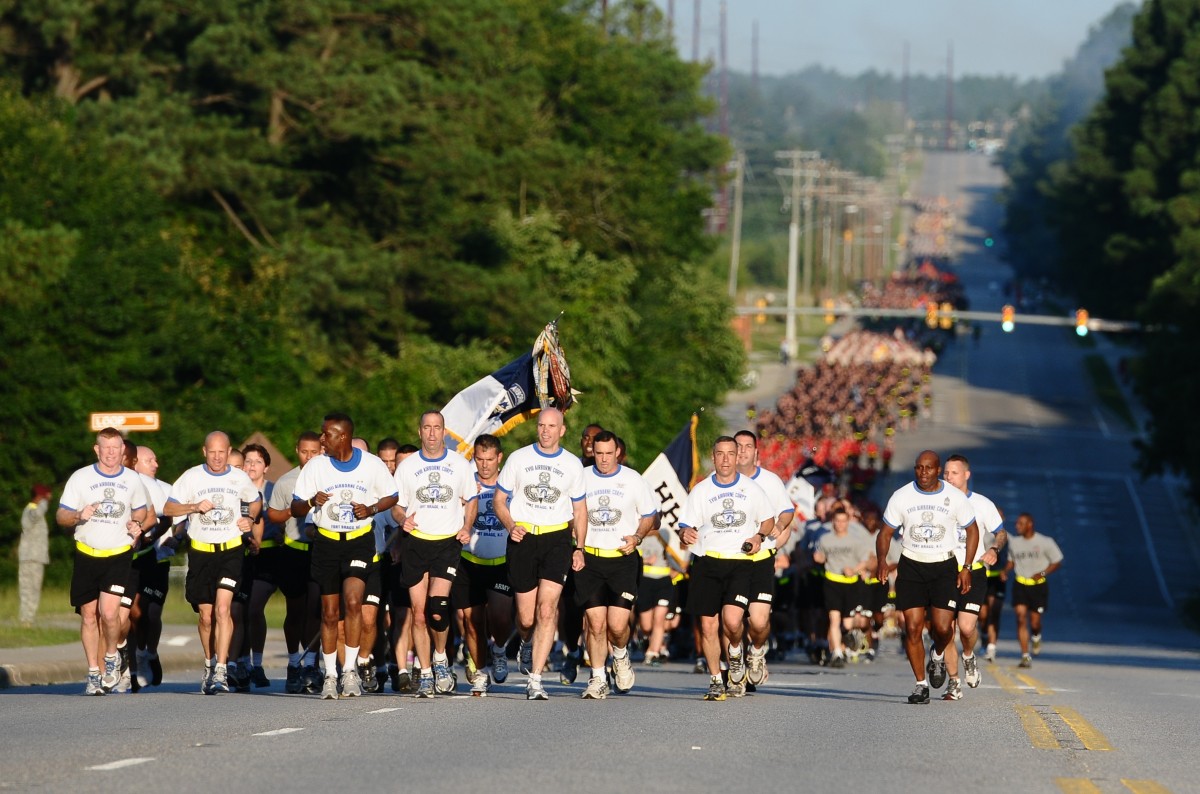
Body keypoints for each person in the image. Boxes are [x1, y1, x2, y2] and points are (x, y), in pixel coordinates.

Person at [291, 413, 398, 699]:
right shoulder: (316, 466)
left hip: (359, 541)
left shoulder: (372, 465)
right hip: (326, 543)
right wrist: (312, 501)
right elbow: (296, 507)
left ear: (344, 437)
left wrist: (372, 509)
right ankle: (330, 674)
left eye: (327, 434)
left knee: (353, 602)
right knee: (329, 613)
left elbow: (392, 495)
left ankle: (349, 672)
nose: (321, 439)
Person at [493, 407, 587, 700]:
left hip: (557, 539)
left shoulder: (572, 465)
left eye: (552, 426)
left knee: (547, 609)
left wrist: (579, 547)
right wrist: (511, 525)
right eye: (541, 425)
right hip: (524, 538)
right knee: (525, 617)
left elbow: (580, 509)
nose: (545, 430)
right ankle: (525, 641)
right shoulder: (518, 459)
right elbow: (499, 500)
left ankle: (535, 680)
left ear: (562, 430)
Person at [677, 436, 776, 701]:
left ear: (736, 457)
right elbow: (684, 524)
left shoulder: (750, 489)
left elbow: (768, 519)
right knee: (708, 626)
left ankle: (735, 654)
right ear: (714, 456)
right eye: (720, 454)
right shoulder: (701, 490)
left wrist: (758, 537)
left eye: (730, 454)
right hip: (708, 561)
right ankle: (715, 679)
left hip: (739, 563)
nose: (725, 459)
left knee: (732, 621)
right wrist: (684, 533)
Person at [876, 450, 977, 704]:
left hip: (944, 567)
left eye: (928, 468)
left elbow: (972, 531)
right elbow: (885, 533)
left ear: (937, 469)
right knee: (912, 628)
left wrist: (966, 567)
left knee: (944, 629)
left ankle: (938, 653)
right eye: (919, 468)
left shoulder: (954, 497)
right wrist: (881, 561)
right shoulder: (902, 496)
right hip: (911, 565)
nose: (923, 473)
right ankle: (921, 685)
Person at [164, 431, 261, 694]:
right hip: (201, 551)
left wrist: (250, 519)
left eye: (222, 452)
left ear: (228, 451)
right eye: (212, 452)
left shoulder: (238, 477)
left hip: (230, 550)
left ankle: (221, 669)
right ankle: (208, 663)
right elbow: (169, 508)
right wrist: (193, 507)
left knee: (222, 609)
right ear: (204, 451)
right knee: (206, 617)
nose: (217, 457)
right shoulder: (191, 477)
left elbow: (255, 500)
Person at [55, 427, 149, 695]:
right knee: (88, 615)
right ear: (96, 450)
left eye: (115, 448)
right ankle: (93, 673)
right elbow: (61, 515)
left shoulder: (132, 480)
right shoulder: (80, 478)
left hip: (118, 553)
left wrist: (136, 522)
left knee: (109, 614)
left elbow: (140, 508)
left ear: (123, 451)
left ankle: (111, 658)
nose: (110, 453)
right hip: (87, 552)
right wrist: (77, 515)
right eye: (105, 448)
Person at [392, 410, 477, 698]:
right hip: (416, 542)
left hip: (447, 542)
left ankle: (441, 658)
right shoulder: (407, 467)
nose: (431, 433)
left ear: (444, 432)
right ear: (420, 432)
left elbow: (472, 500)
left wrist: (467, 526)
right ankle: (425, 673)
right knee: (418, 615)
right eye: (426, 427)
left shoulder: (460, 464)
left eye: (436, 428)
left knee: (438, 609)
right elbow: (396, 505)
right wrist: (402, 519)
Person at [573, 431, 658, 699]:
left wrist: (638, 536)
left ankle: (620, 655)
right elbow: (570, 514)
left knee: (618, 626)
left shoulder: (633, 479)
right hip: (591, 558)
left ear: (617, 452)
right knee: (596, 624)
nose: (604, 459)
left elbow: (649, 515)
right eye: (599, 454)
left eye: (609, 454)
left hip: (622, 559)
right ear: (592, 452)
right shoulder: (581, 478)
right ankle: (598, 678)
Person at [452, 434, 515, 696]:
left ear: (499, 458)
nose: (484, 465)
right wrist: (463, 502)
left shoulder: (510, 484)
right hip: (469, 560)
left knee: (500, 617)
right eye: (479, 459)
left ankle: (499, 649)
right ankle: (479, 673)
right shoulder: (465, 483)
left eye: (490, 459)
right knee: (472, 621)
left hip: (501, 562)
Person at [941, 454, 1006, 699]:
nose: (948, 477)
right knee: (946, 629)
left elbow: (1000, 533)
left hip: (974, 571)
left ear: (966, 475)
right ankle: (954, 682)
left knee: (966, 628)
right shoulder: (937, 503)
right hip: (944, 571)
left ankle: (968, 656)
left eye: (954, 473)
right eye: (945, 473)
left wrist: (994, 549)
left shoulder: (982, 503)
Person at [733, 430, 795, 686]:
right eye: (738, 446)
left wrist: (779, 527)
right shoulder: (718, 482)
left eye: (748, 446)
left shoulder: (770, 481)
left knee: (758, 622)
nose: (743, 451)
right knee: (732, 619)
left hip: (761, 559)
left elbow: (787, 512)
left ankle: (757, 652)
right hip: (730, 558)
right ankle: (734, 662)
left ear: (756, 453)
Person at [265, 431, 324, 694]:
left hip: (320, 551)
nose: (309, 457)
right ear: (296, 450)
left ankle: (311, 664)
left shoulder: (329, 478)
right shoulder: (286, 482)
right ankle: (292, 662)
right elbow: (273, 515)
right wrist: (294, 509)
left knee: (315, 609)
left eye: (314, 452)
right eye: (304, 452)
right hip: (293, 551)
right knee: (296, 611)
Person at [812, 507, 874, 668]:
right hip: (832, 581)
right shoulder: (825, 539)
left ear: (848, 522)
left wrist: (853, 570)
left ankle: (848, 637)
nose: (840, 524)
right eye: (837, 521)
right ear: (833, 521)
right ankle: (837, 653)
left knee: (846, 623)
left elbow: (865, 561)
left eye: (843, 521)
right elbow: (821, 555)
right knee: (834, 619)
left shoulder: (855, 540)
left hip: (851, 583)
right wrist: (819, 558)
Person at [132, 445, 173, 688]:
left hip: (159, 560)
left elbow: (175, 522)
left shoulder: (165, 489)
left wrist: (175, 538)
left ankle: (151, 653)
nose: (156, 464)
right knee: (135, 612)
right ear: (134, 462)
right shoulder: (130, 483)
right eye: (150, 460)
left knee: (152, 614)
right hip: (134, 560)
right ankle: (135, 658)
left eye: (156, 460)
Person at [1005, 512, 1063, 668]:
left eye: (1021, 524)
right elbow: (1011, 562)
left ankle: (1036, 637)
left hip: (1038, 586)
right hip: (1020, 584)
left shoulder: (1045, 542)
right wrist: (1005, 571)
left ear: (1030, 524)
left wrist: (1042, 573)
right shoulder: (1014, 543)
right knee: (1020, 617)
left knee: (1035, 622)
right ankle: (1025, 655)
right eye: (1017, 523)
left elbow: (1057, 561)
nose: (1017, 526)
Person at [19, 484, 53, 626]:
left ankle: (28, 618)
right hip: (31, 556)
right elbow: (36, 515)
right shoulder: (32, 509)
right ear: (39, 496)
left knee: (31, 589)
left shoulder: (31, 509)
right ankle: (27, 619)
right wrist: (45, 501)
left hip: (33, 556)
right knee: (29, 589)